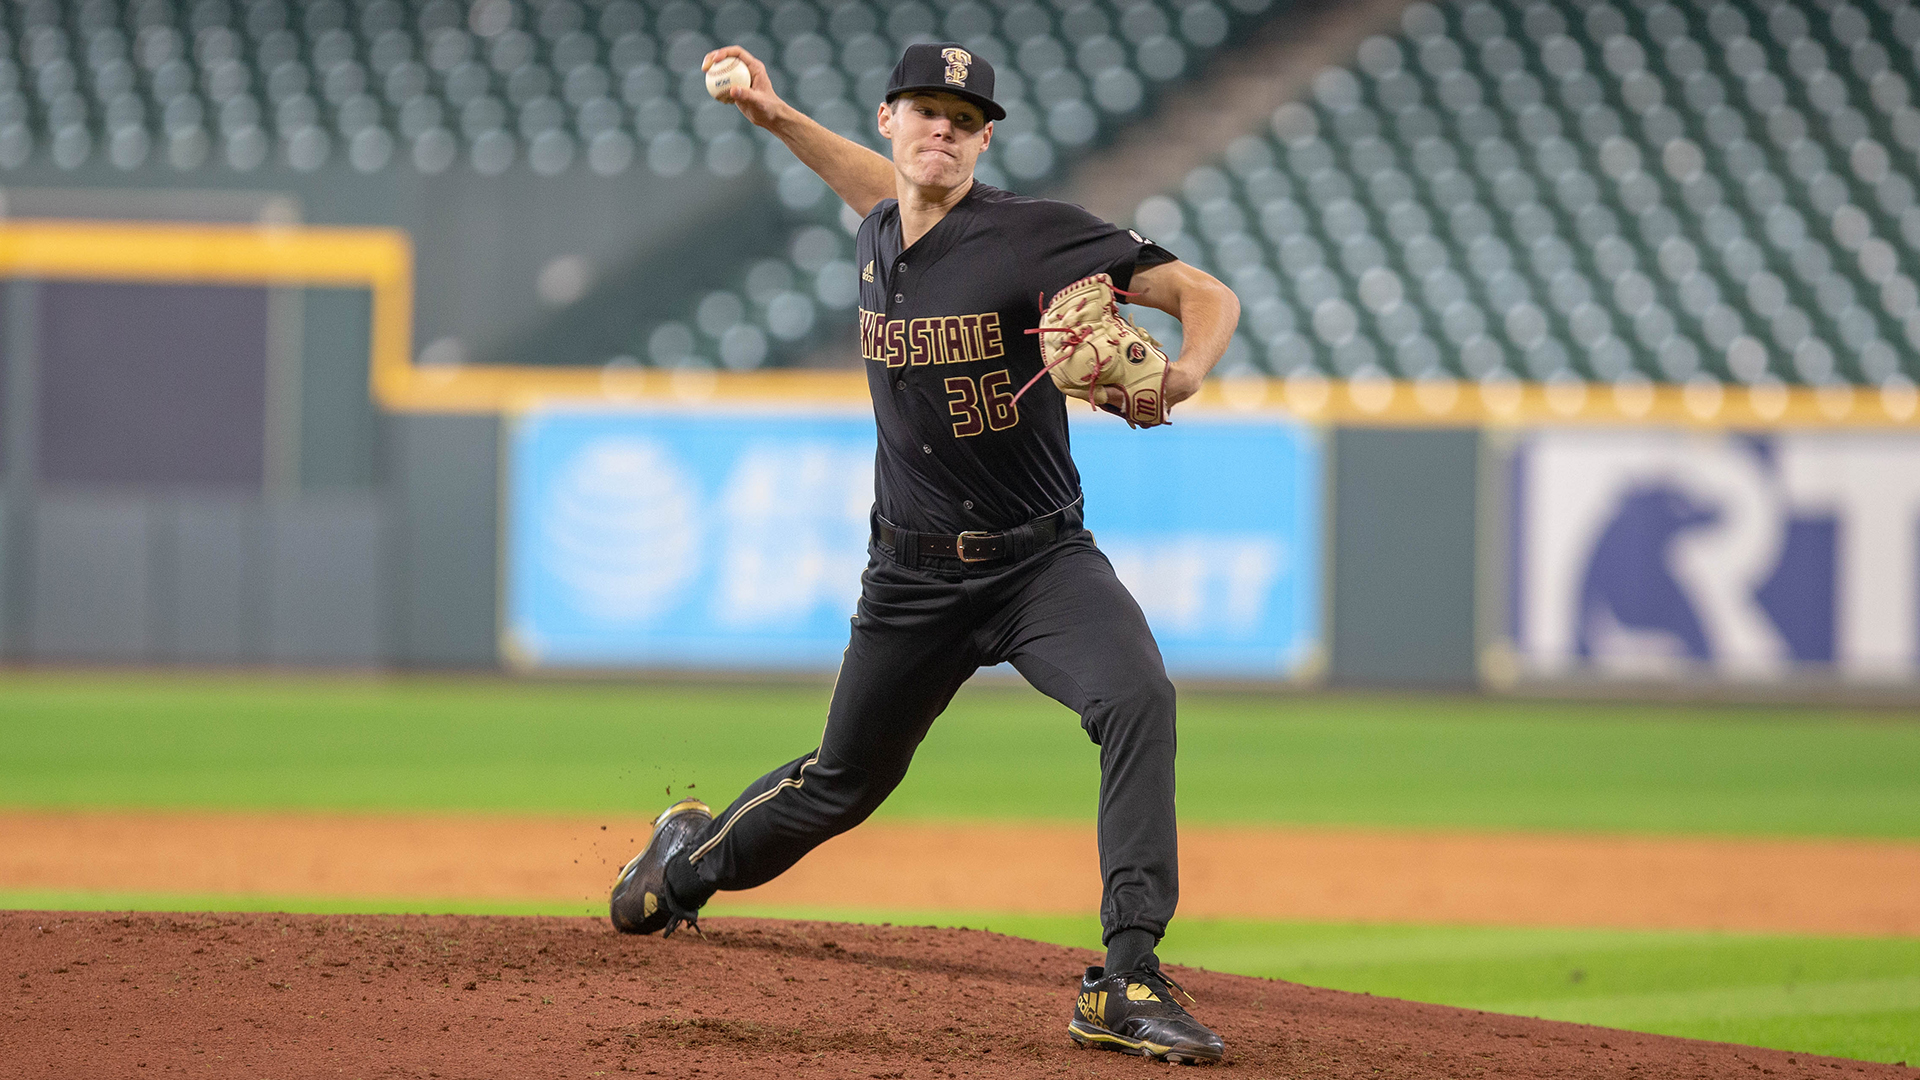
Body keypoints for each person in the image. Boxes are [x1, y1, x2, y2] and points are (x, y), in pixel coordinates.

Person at [610, 40, 1240, 1065]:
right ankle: (685, 864)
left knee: (1137, 699)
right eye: (924, 111)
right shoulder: (878, 228)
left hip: (1041, 564)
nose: (941, 128)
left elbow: (1206, 294)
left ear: (985, 137)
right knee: (841, 786)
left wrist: (1188, 374)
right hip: (909, 576)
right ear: (891, 119)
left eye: (963, 116)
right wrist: (772, 115)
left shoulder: (1040, 238)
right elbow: (877, 188)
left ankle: (1126, 976)